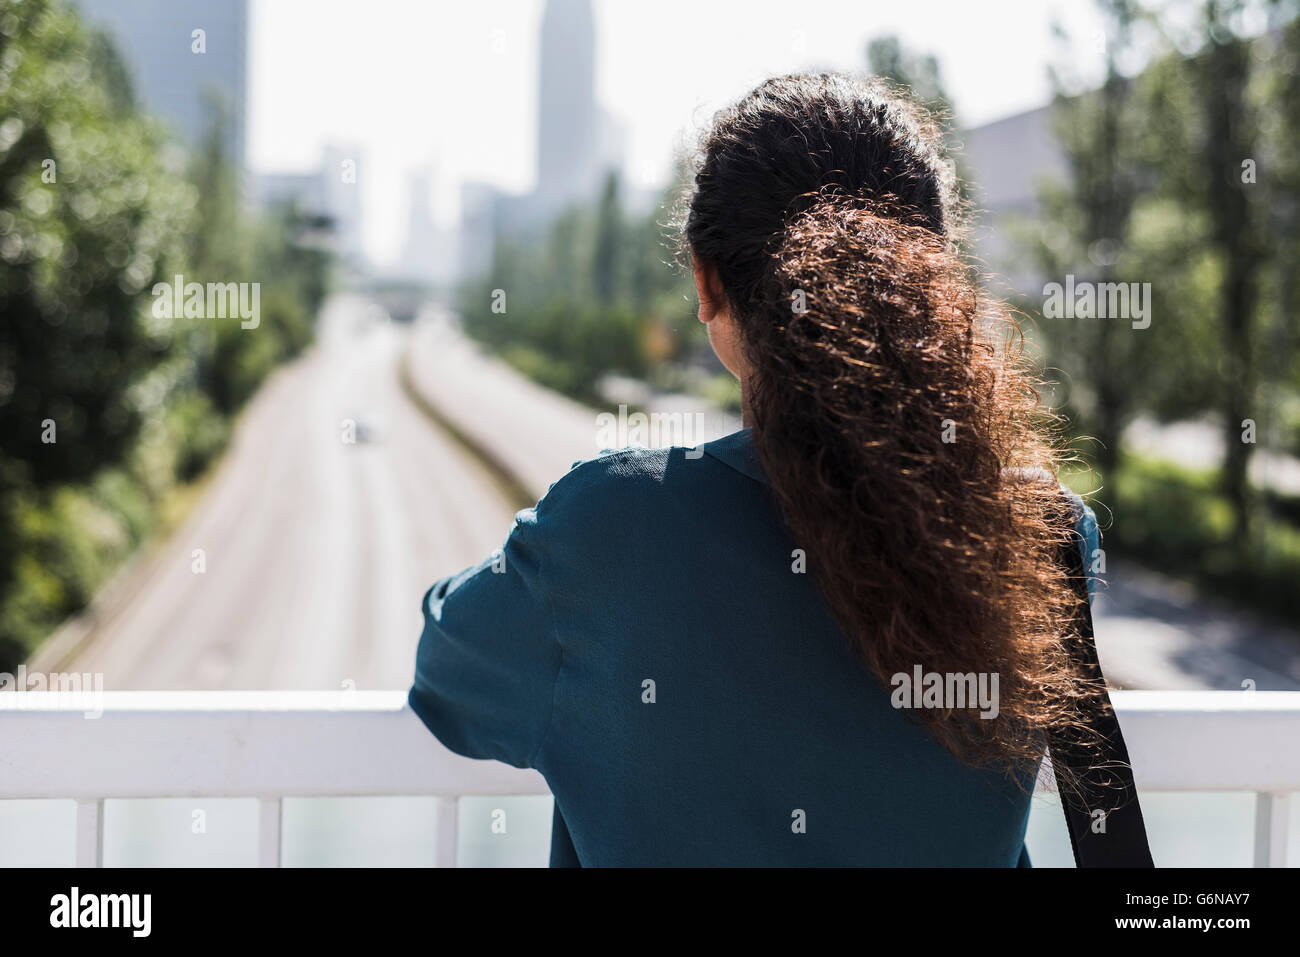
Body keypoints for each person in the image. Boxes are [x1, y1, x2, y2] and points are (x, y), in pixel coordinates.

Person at [408, 72, 1106, 866]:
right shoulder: (1044, 537)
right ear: (934, 281)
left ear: (707, 282)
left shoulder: (607, 530)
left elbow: (445, 675)